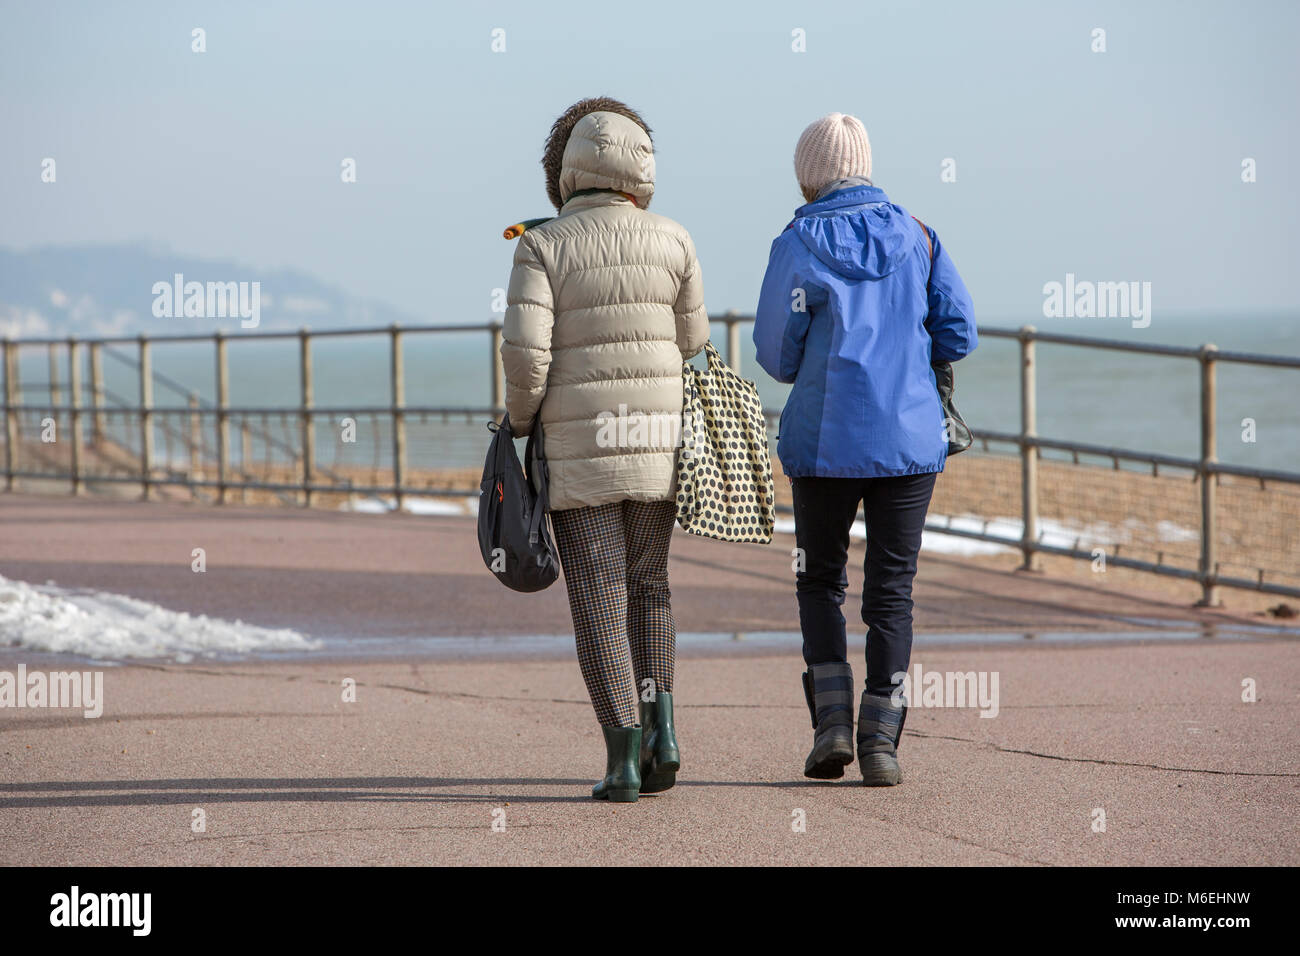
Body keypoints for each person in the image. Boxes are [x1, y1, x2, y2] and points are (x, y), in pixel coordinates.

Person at [753, 113, 977, 786]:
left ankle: (830, 728)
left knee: (819, 579)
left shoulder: (797, 242)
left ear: (808, 171)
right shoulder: (919, 236)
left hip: (824, 443)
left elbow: (776, 353)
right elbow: (958, 330)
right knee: (892, 591)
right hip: (909, 442)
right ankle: (882, 742)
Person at [500, 97, 710, 803]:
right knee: (651, 588)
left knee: (597, 594)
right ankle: (664, 731)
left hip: (582, 447)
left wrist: (521, 427)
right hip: (656, 442)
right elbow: (693, 348)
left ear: (566, 172)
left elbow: (527, 357)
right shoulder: (675, 240)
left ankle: (623, 762)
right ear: (639, 168)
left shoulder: (541, 245)